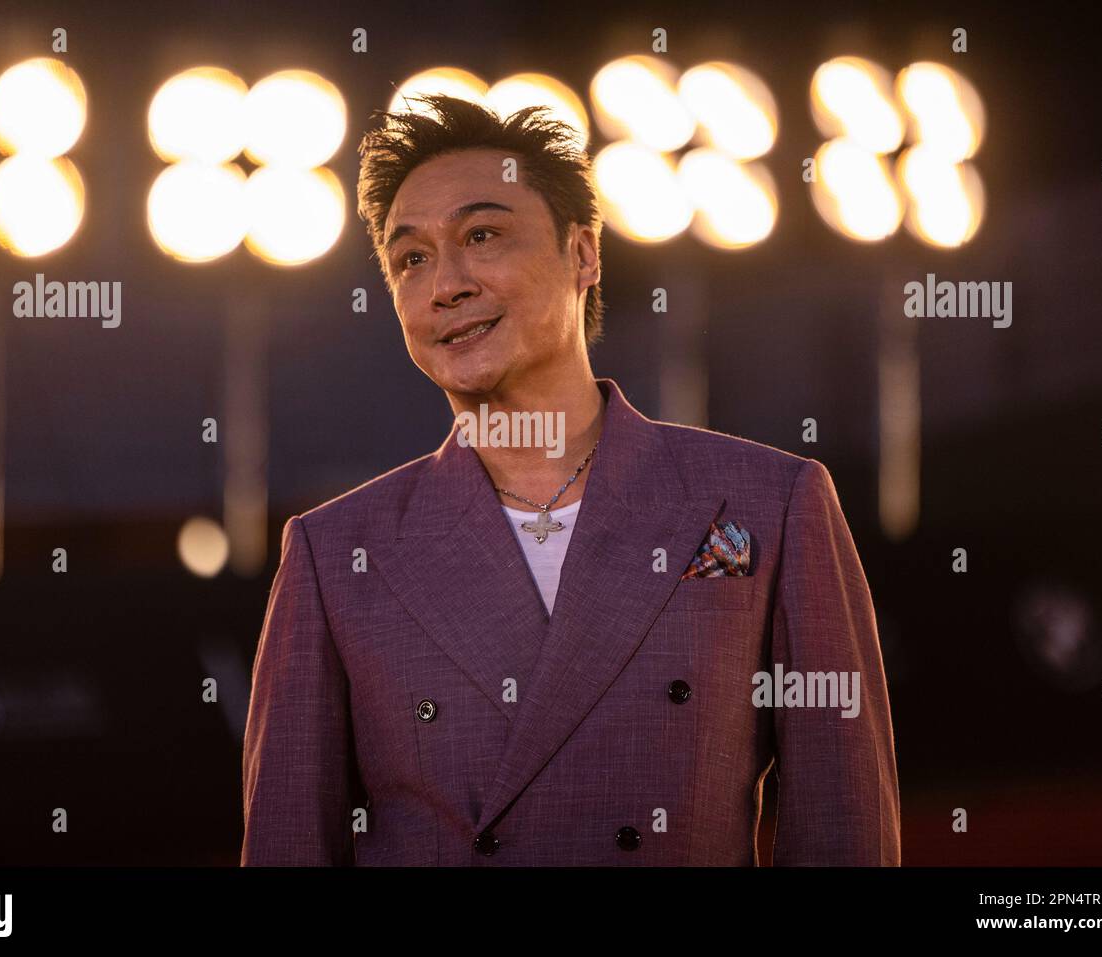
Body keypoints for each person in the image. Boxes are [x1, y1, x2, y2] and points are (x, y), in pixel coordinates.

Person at [241, 93, 900, 865]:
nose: (444, 285)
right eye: (411, 258)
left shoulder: (768, 501)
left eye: (482, 235)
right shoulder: (336, 553)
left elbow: (842, 829)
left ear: (584, 254)